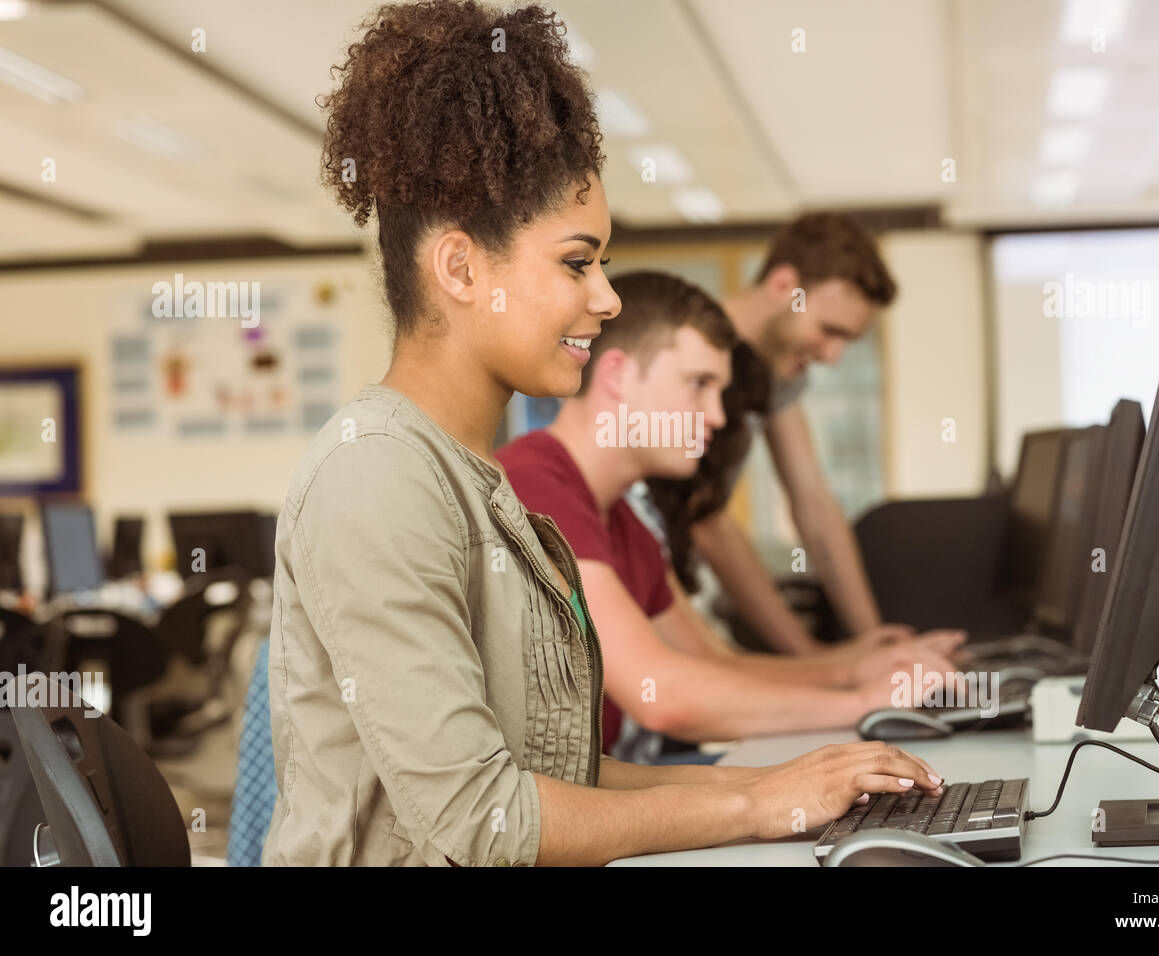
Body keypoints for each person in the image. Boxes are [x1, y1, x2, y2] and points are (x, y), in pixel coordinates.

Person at [264, 0, 945, 868]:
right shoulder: (376, 477)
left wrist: (786, 783)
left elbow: (558, 775)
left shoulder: (478, 482)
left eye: (603, 265)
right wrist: (757, 803)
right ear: (462, 268)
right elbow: (483, 819)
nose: (607, 298)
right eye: (576, 262)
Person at [498, 271, 966, 758]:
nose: (718, 416)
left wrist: (853, 671)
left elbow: (708, 663)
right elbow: (663, 697)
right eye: (698, 384)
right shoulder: (535, 488)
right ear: (618, 375)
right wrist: (865, 702)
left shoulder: (624, 519)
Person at [693, 212, 903, 654]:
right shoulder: (693, 354)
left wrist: (875, 643)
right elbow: (704, 518)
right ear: (784, 285)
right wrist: (813, 659)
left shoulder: (776, 371)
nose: (833, 356)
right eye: (829, 330)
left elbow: (814, 504)